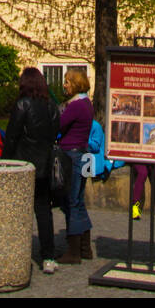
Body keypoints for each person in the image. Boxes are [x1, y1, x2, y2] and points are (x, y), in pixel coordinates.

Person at [4, 66, 61, 273]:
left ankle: (16, 253)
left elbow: (12, 136)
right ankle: (48, 256)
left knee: (20, 211)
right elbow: (55, 132)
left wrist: (5, 160)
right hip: (44, 166)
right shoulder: (51, 106)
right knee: (43, 211)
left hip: (22, 164)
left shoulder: (22, 104)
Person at [57, 67, 94, 264]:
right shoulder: (87, 103)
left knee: (71, 201)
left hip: (72, 155)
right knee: (78, 200)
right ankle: (84, 247)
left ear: (75, 84)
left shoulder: (76, 105)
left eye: (67, 82)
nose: (65, 85)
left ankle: (74, 251)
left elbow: (60, 124)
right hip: (82, 153)